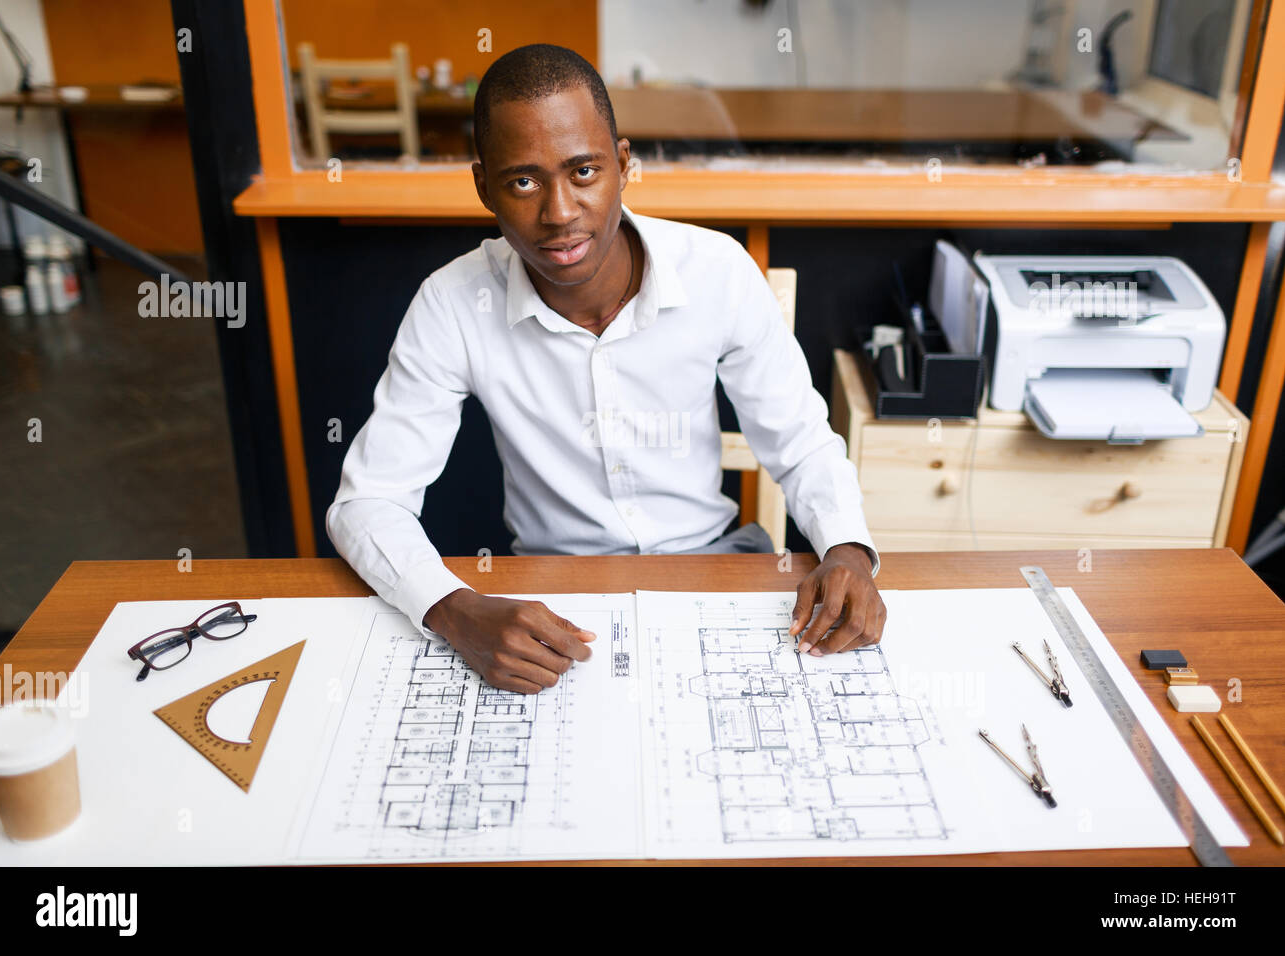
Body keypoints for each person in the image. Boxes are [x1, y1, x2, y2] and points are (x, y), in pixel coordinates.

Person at [327, 44, 885, 695]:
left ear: (623, 163)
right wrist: (453, 611)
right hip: (558, 599)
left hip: (715, 575)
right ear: (484, 187)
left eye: (584, 171)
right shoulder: (454, 302)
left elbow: (801, 442)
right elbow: (367, 503)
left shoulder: (718, 271)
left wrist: (847, 549)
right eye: (524, 181)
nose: (559, 212)